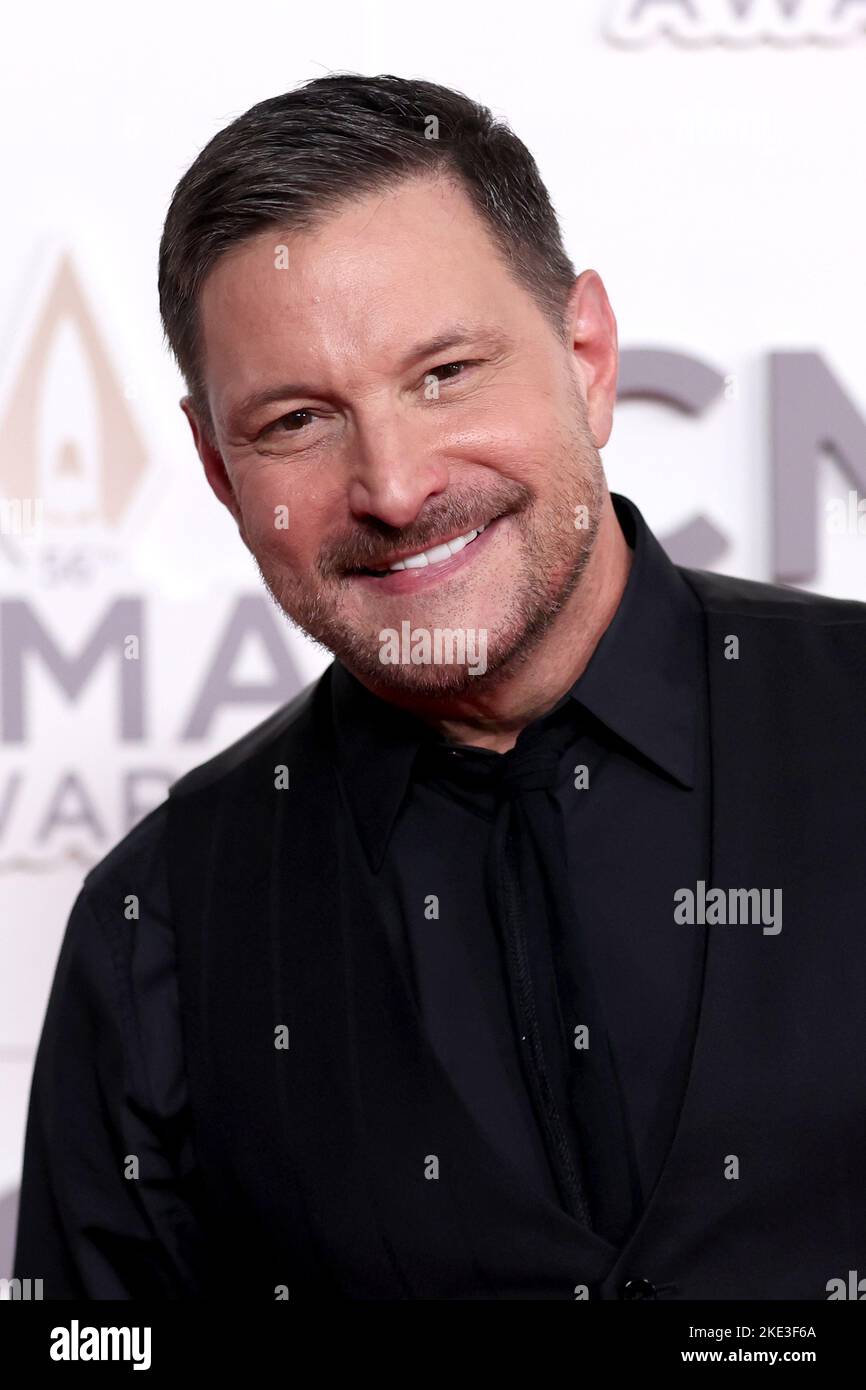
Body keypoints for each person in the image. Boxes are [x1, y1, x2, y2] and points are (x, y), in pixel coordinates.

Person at [13, 72, 866, 1301]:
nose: (395, 487)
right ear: (214, 467)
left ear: (584, 357)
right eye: (298, 420)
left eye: (445, 373)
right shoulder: (159, 929)